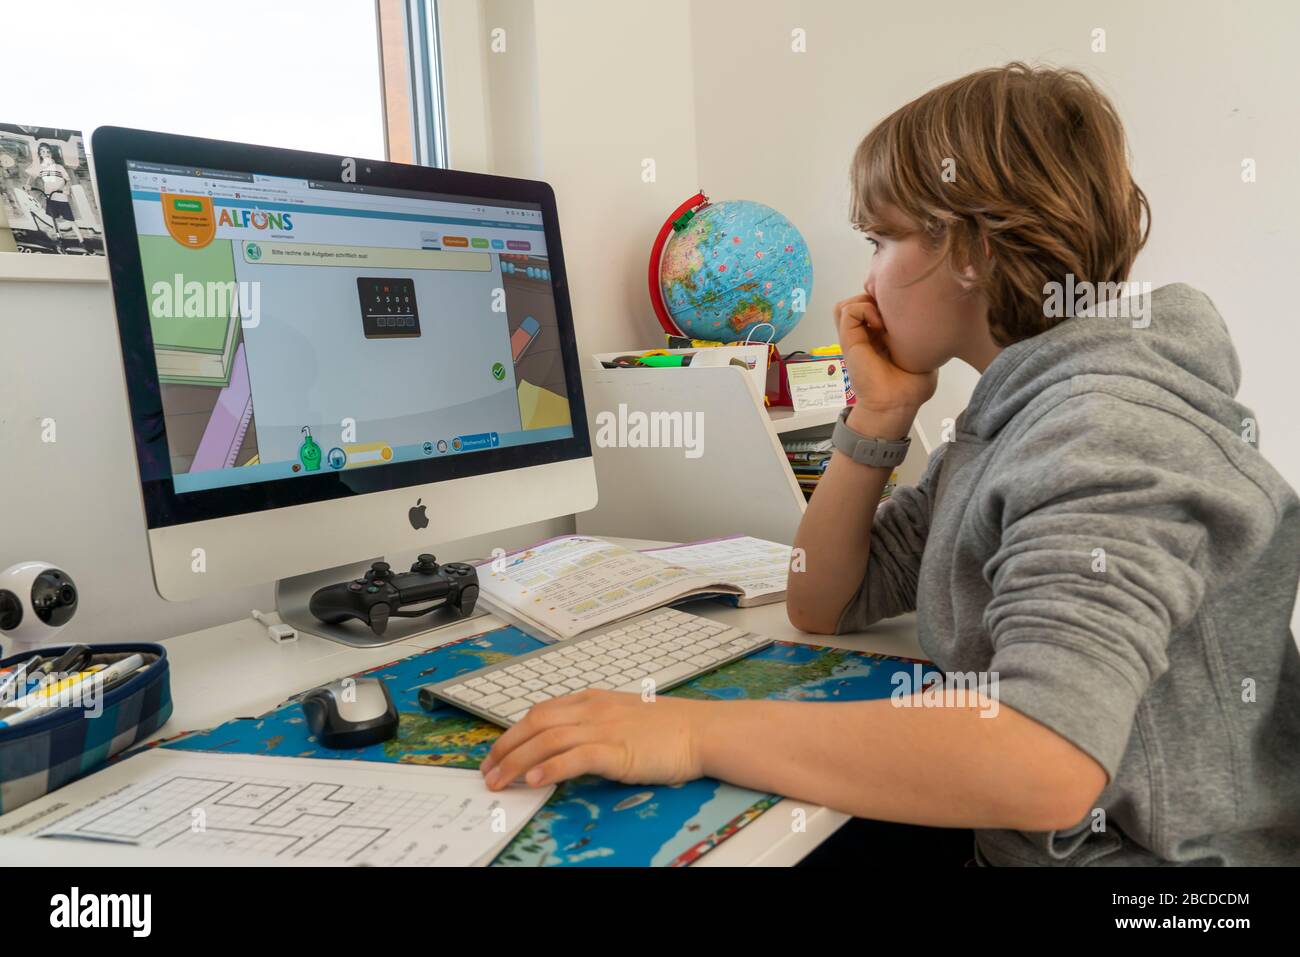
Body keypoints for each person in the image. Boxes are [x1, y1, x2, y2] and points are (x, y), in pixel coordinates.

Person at [479, 62, 1300, 866]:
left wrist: (694, 731)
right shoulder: (1011, 419)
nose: (865, 280)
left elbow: (1046, 757)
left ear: (972, 248)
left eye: (880, 239)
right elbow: (822, 597)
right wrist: (880, 416)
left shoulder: (1103, 431)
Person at [25, 142, 83, 250]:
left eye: (48, 151)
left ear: (51, 153)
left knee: (70, 220)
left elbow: (67, 180)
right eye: (43, 151)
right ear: (40, 154)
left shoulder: (59, 167)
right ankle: (60, 240)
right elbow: (31, 176)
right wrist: (27, 185)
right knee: (54, 220)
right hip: (50, 197)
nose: (46, 153)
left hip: (61, 197)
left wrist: (66, 190)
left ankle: (82, 241)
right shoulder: (40, 167)